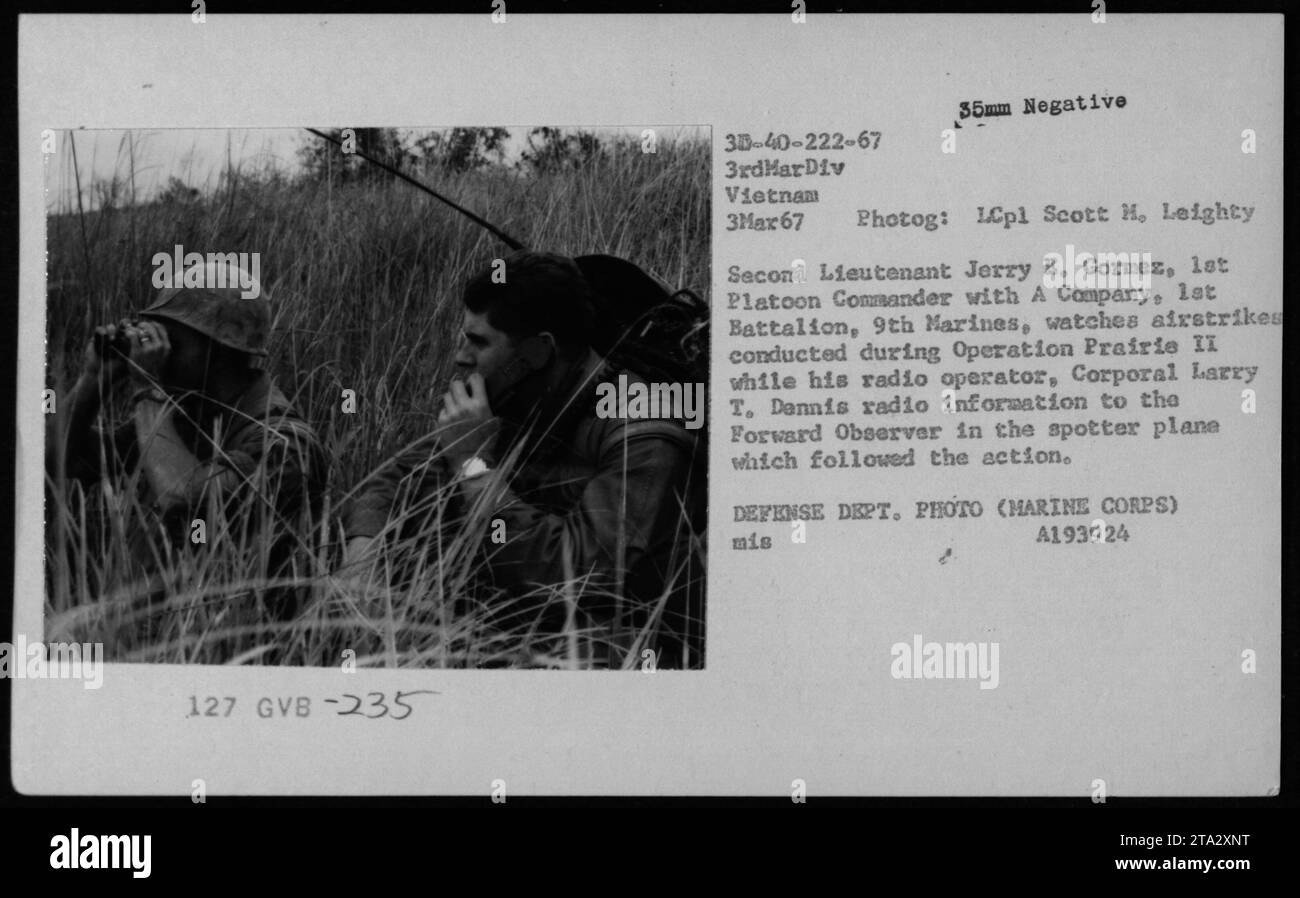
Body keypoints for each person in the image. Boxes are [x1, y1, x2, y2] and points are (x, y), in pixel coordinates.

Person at [341, 251, 703, 667]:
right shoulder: (520, 395)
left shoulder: (643, 432)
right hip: (523, 631)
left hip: (631, 655)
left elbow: (581, 573)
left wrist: (473, 466)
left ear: (537, 351)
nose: (460, 357)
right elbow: (402, 475)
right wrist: (361, 555)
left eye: (478, 342)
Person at [47, 263, 326, 621]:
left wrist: (148, 387)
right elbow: (60, 459)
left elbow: (181, 496)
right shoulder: (190, 410)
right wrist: (93, 379)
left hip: (238, 636)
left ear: (218, 348)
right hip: (161, 616)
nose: (157, 344)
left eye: (172, 336)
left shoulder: (285, 442)